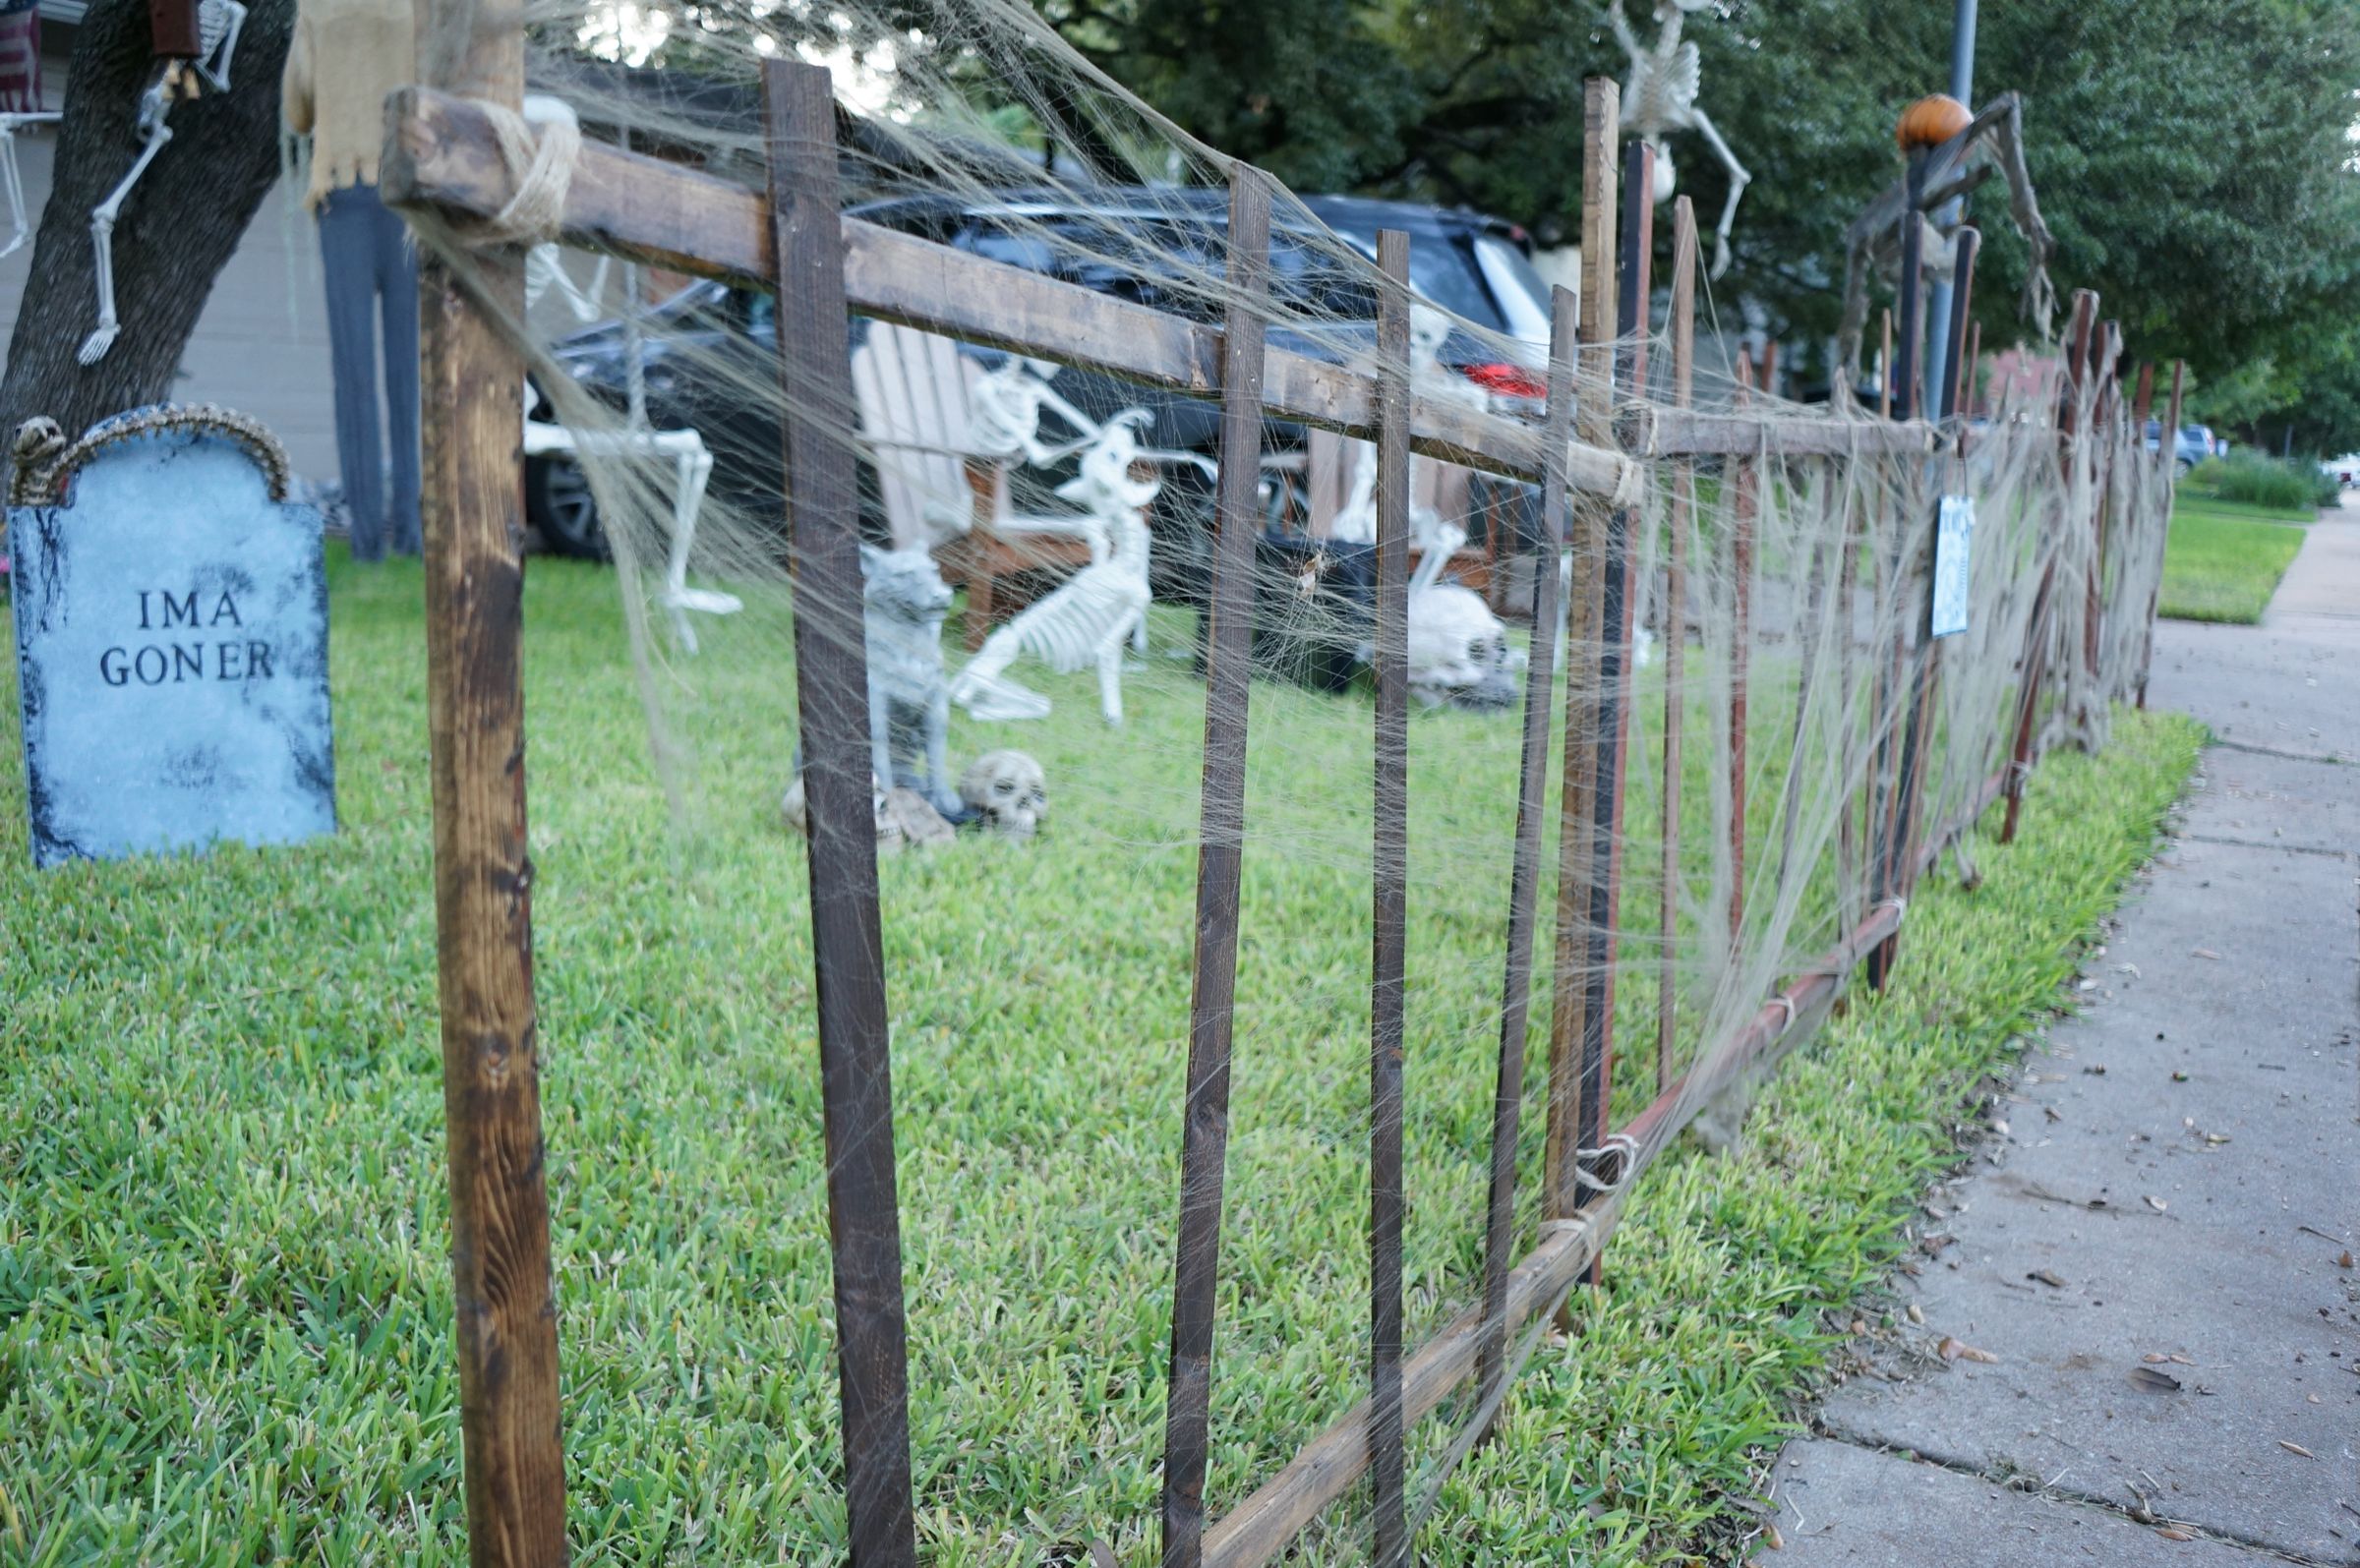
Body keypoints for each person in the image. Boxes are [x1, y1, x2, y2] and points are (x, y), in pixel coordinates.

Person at [281, 0, 418, 559]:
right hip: (411, 192)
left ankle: (368, 544)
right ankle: (412, 534)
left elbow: (298, 109)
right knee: (409, 375)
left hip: (343, 192)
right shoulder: (419, 8)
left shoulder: (317, 8)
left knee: (354, 379)